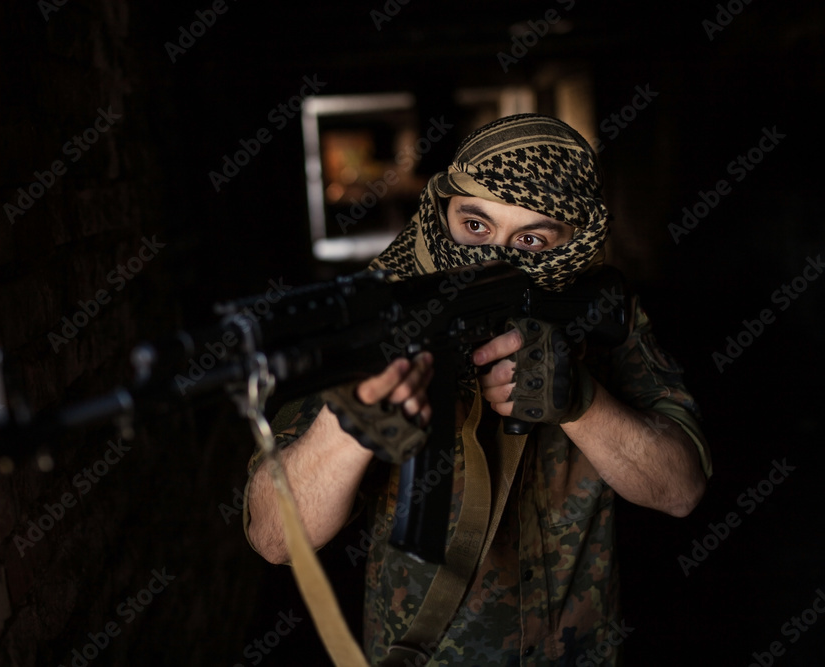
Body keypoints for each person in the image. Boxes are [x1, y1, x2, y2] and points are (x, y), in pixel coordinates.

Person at [244, 114, 712, 666]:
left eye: (532, 239)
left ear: (576, 246)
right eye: (475, 225)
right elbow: (275, 538)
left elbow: (681, 490)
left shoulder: (603, 318)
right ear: (443, 209)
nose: (493, 259)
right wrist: (350, 424)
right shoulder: (381, 315)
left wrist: (582, 403)